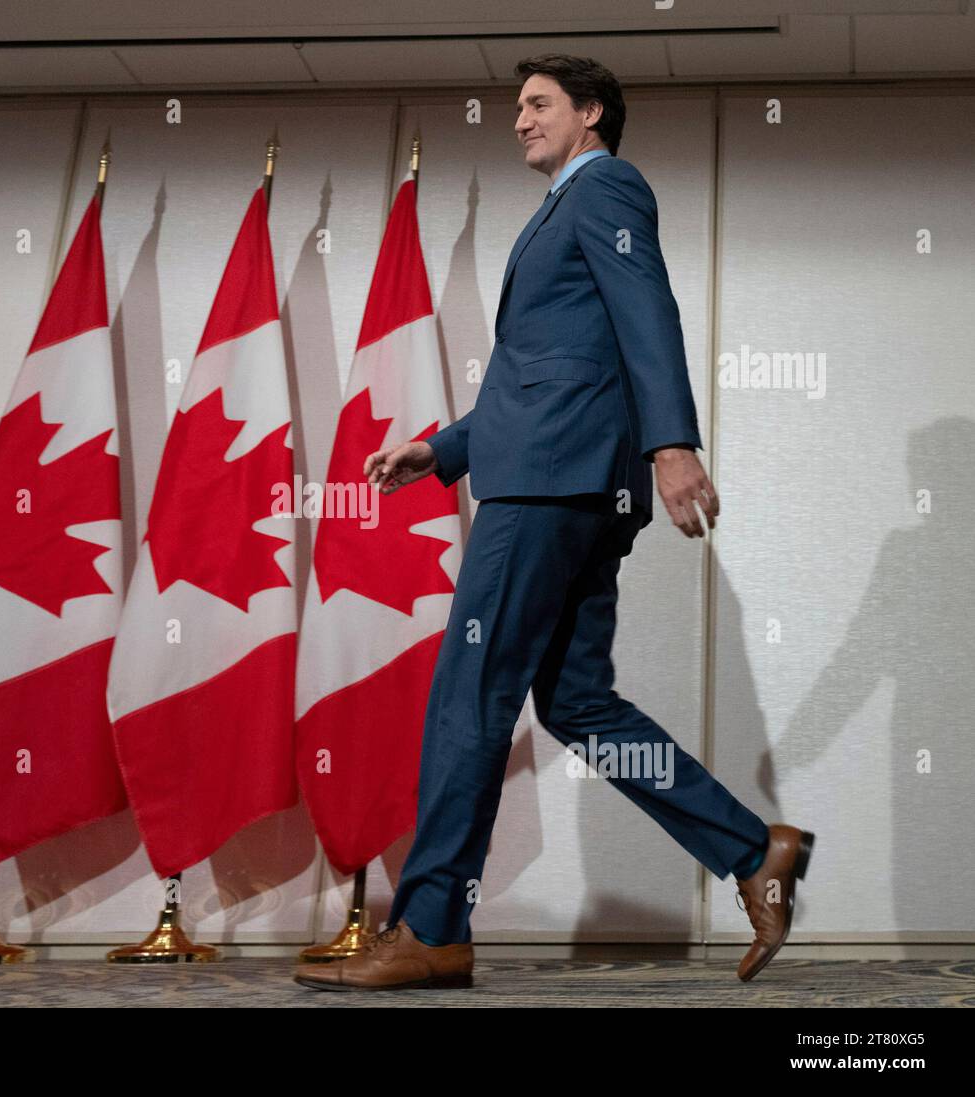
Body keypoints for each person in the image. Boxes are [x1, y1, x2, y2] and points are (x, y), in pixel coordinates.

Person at [295, 54, 813, 992]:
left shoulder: (605, 185)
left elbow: (643, 310)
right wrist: (445, 450)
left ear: (592, 113)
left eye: (538, 105)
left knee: (469, 693)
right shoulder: (564, 207)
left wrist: (673, 443)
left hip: (548, 487)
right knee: (576, 704)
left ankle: (431, 926)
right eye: (518, 107)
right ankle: (752, 847)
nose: (521, 121)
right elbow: (549, 360)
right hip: (566, 481)